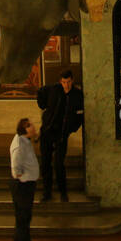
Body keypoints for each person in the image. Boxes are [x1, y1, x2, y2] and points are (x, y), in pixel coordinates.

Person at [36, 69, 84, 202]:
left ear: (72, 80)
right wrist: (44, 106)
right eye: (64, 82)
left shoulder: (77, 95)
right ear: (60, 81)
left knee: (59, 164)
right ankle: (47, 192)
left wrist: (71, 129)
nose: (66, 85)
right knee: (45, 163)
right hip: (47, 132)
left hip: (61, 135)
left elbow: (80, 115)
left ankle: (63, 191)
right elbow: (40, 92)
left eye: (68, 82)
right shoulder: (53, 89)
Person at [8, 117, 42, 241]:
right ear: (24, 130)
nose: (33, 128)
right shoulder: (19, 146)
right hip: (22, 186)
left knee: (26, 216)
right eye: (30, 126)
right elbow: (16, 167)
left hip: (27, 184)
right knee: (21, 220)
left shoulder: (25, 141)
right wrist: (21, 175)